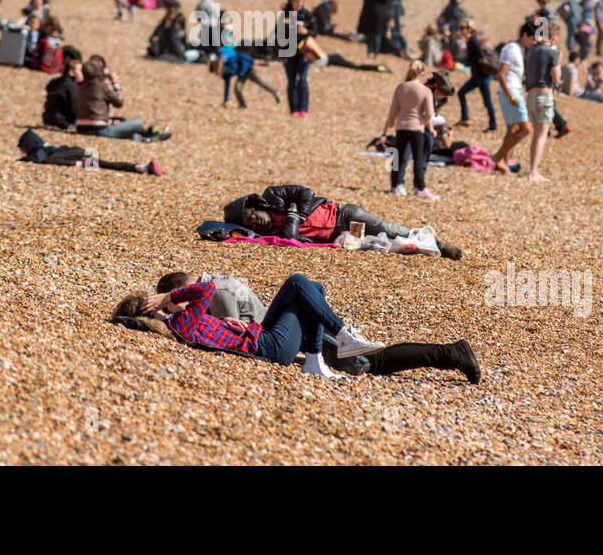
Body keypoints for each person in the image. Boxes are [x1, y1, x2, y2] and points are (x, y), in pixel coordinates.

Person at [149, 271, 481, 382]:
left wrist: (169, 301)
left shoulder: (212, 293)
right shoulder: (211, 292)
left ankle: (450, 354)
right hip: (284, 332)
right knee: (370, 362)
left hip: (287, 330)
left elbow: (240, 329)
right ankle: (450, 354)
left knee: (370, 361)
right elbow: (241, 333)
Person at [127, 274, 386, 376]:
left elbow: (212, 331)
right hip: (269, 347)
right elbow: (206, 289)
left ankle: (315, 359)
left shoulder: (182, 326)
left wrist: (226, 323)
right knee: (297, 283)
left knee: (313, 287)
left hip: (260, 336)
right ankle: (341, 337)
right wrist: (171, 296)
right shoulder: (178, 325)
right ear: (158, 311)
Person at [222, 184, 462, 260]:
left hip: (343, 214)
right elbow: (290, 239)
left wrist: (299, 215)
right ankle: (424, 249)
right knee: (388, 246)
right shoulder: (273, 230)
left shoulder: (272, 195)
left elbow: (305, 193)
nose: (257, 223)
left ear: (253, 207)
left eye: (253, 217)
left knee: (388, 228)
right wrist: (294, 214)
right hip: (336, 235)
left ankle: (440, 245)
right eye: (251, 225)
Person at [75, 55, 169, 142]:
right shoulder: (101, 86)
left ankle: (144, 135)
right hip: (100, 130)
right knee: (138, 123)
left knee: (120, 120)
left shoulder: (81, 86)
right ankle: (148, 135)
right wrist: (115, 82)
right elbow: (119, 102)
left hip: (81, 128)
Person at [381, 60, 437, 199]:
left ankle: (395, 186)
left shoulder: (401, 88)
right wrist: (425, 122)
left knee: (398, 157)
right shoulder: (425, 90)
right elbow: (429, 113)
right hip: (416, 126)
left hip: (401, 125)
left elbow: (393, 110)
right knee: (418, 158)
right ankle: (419, 187)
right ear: (422, 73)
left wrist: (388, 127)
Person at [491, 23, 537, 174]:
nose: (534, 43)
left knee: (513, 129)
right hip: (510, 91)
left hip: (513, 90)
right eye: (533, 39)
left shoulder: (517, 49)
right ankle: (498, 157)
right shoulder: (511, 49)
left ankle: (504, 162)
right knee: (525, 129)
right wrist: (511, 96)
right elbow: (501, 74)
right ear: (525, 35)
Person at [17, 129, 162, 176]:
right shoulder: (44, 146)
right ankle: (141, 167)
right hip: (79, 151)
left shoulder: (40, 150)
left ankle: (142, 167)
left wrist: (22, 161)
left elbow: (40, 159)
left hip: (77, 156)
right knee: (107, 164)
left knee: (106, 165)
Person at [524, 22, 561, 183]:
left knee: (534, 134)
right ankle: (533, 172)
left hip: (530, 95)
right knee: (541, 135)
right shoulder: (551, 52)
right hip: (544, 94)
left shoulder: (531, 51)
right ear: (552, 38)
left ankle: (532, 169)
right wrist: (559, 59)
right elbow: (557, 78)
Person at [456, 21, 498, 132]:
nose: (461, 30)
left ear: (470, 29)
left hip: (482, 76)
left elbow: (480, 56)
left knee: (487, 101)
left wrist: (468, 59)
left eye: (463, 27)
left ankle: (493, 126)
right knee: (461, 93)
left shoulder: (473, 40)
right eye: (460, 28)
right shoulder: (470, 41)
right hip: (477, 76)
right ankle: (465, 118)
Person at [278, 0, 315, 116]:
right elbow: (279, 35)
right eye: (298, 1)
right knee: (292, 80)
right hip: (289, 51)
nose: (300, 4)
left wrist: (306, 31)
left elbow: (316, 31)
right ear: (292, 1)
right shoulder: (285, 15)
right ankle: (294, 109)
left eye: (302, 1)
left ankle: (303, 108)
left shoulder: (308, 15)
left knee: (303, 80)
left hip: (304, 51)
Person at [211, 44, 280, 108]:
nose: (217, 75)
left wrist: (252, 61)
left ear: (218, 69)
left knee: (260, 82)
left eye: (216, 73)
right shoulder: (226, 75)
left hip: (249, 70)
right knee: (237, 88)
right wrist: (226, 100)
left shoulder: (230, 61)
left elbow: (241, 56)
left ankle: (275, 92)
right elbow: (227, 86)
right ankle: (242, 105)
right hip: (242, 75)